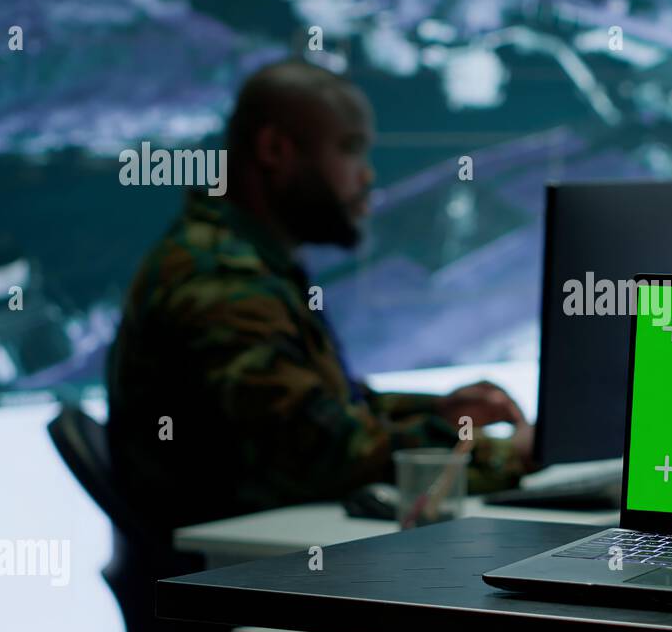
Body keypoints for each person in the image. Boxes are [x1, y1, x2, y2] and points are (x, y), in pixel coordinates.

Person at [107, 60, 534, 532]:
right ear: (274, 150)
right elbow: (320, 452)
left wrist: (434, 413)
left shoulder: (243, 257)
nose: (367, 176)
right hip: (232, 580)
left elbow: (319, 407)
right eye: (350, 150)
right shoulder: (221, 283)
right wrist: (507, 455)